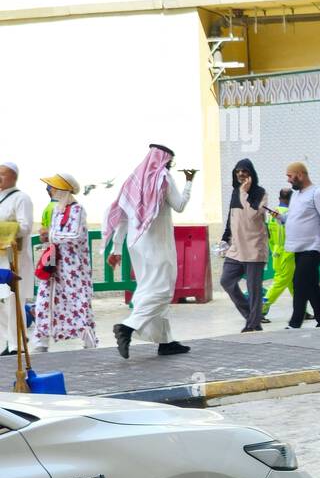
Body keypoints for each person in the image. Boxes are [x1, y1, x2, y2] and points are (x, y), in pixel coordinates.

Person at [104, 143, 196, 358]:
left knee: (149, 287)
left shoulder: (134, 180)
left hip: (136, 244)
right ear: (166, 160)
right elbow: (179, 205)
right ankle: (128, 327)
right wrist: (189, 182)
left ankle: (165, 341)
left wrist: (116, 248)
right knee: (161, 290)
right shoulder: (163, 177)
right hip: (158, 243)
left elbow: (123, 217)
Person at [31, 173, 97, 352]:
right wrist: (46, 237)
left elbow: (75, 235)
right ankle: (41, 340)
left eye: (54, 187)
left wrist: (50, 235)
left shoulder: (78, 210)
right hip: (55, 265)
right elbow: (55, 236)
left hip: (73, 267)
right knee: (45, 298)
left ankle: (89, 339)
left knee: (76, 300)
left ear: (63, 189)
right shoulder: (57, 211)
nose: (50, 190)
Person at [283, 161, 320, 329]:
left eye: (290, 176)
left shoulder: (318, 194)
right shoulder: (296, 195)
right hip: (298, 247)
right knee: (311, 284)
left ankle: (295, 322)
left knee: (299, 281)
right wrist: (283, 218)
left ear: (300, 175)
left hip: (313, 246)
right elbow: (295, 216)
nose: (288, 180)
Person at [218, 159, 272, 333]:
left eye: (244, 171)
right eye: (238, 171)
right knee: (226, 281)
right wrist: (225, 238)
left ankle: (253, 324)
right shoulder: (236, 192)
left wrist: (245, 193)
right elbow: (232, 217)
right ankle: (251, 316)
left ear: (251, 174)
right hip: (236, 248)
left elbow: (251, 216)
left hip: (254, 247)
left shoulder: (260, 193)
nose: (241, 174)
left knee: (254, 289)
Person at [0, 161, 35, 357]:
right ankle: (11, 338)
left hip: (15, 257)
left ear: (13, 176)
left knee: (14, 300)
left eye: (2, 174)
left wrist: (1, 230)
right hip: (0, 257)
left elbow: (25, 227)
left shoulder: (21, 198)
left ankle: (16, 345)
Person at [262, 188, 295, 320]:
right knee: (281, 281)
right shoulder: (289, 214)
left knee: (293, 282)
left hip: (276, 251)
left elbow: (270, 235)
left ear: (280, 198)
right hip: (288, 253)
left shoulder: (273, 214)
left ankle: (302, 309)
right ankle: (261, 308)